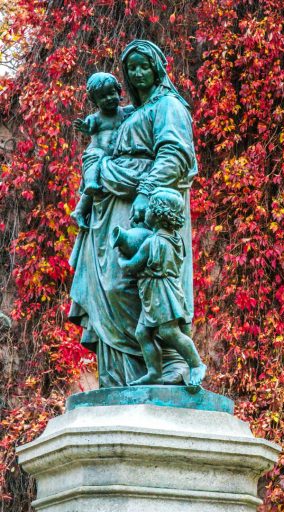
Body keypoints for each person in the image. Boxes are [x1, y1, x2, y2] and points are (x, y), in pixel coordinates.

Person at [69, 40, 198, 387]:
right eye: (132, 69)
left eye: (144, 65)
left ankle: (171, 365)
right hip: (111, 212)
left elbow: (174, 155)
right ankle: (118, 379)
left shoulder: (169, 106)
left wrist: (142, 190)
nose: (138, 73)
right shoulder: (130, 113)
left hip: (143, 213)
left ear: (157, 67)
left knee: (135, 287)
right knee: (111, 288)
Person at [116, 188, 206, 386]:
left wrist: (121, 258)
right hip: (158, 291)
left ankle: (196, 364)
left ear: (157, 214)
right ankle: (154, 373)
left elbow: (132, 266)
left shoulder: (152, 242)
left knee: (169, 332)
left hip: (160, 293)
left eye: (148, 209)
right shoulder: (176, 240)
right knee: (142, 333)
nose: (145, 212)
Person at [70, 72, 133, 229]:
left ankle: (79, 210)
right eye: (102, 97)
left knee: (95, 186)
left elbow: (142, 106)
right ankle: (89, 186)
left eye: (112, 93)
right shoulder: (96, 117)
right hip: (97, 152)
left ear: (119, 92)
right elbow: (89, 127)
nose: (109, 98)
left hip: (116, 156)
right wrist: (85, 128)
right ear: (95, 101)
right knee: (94, 164)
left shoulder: (125, 112)